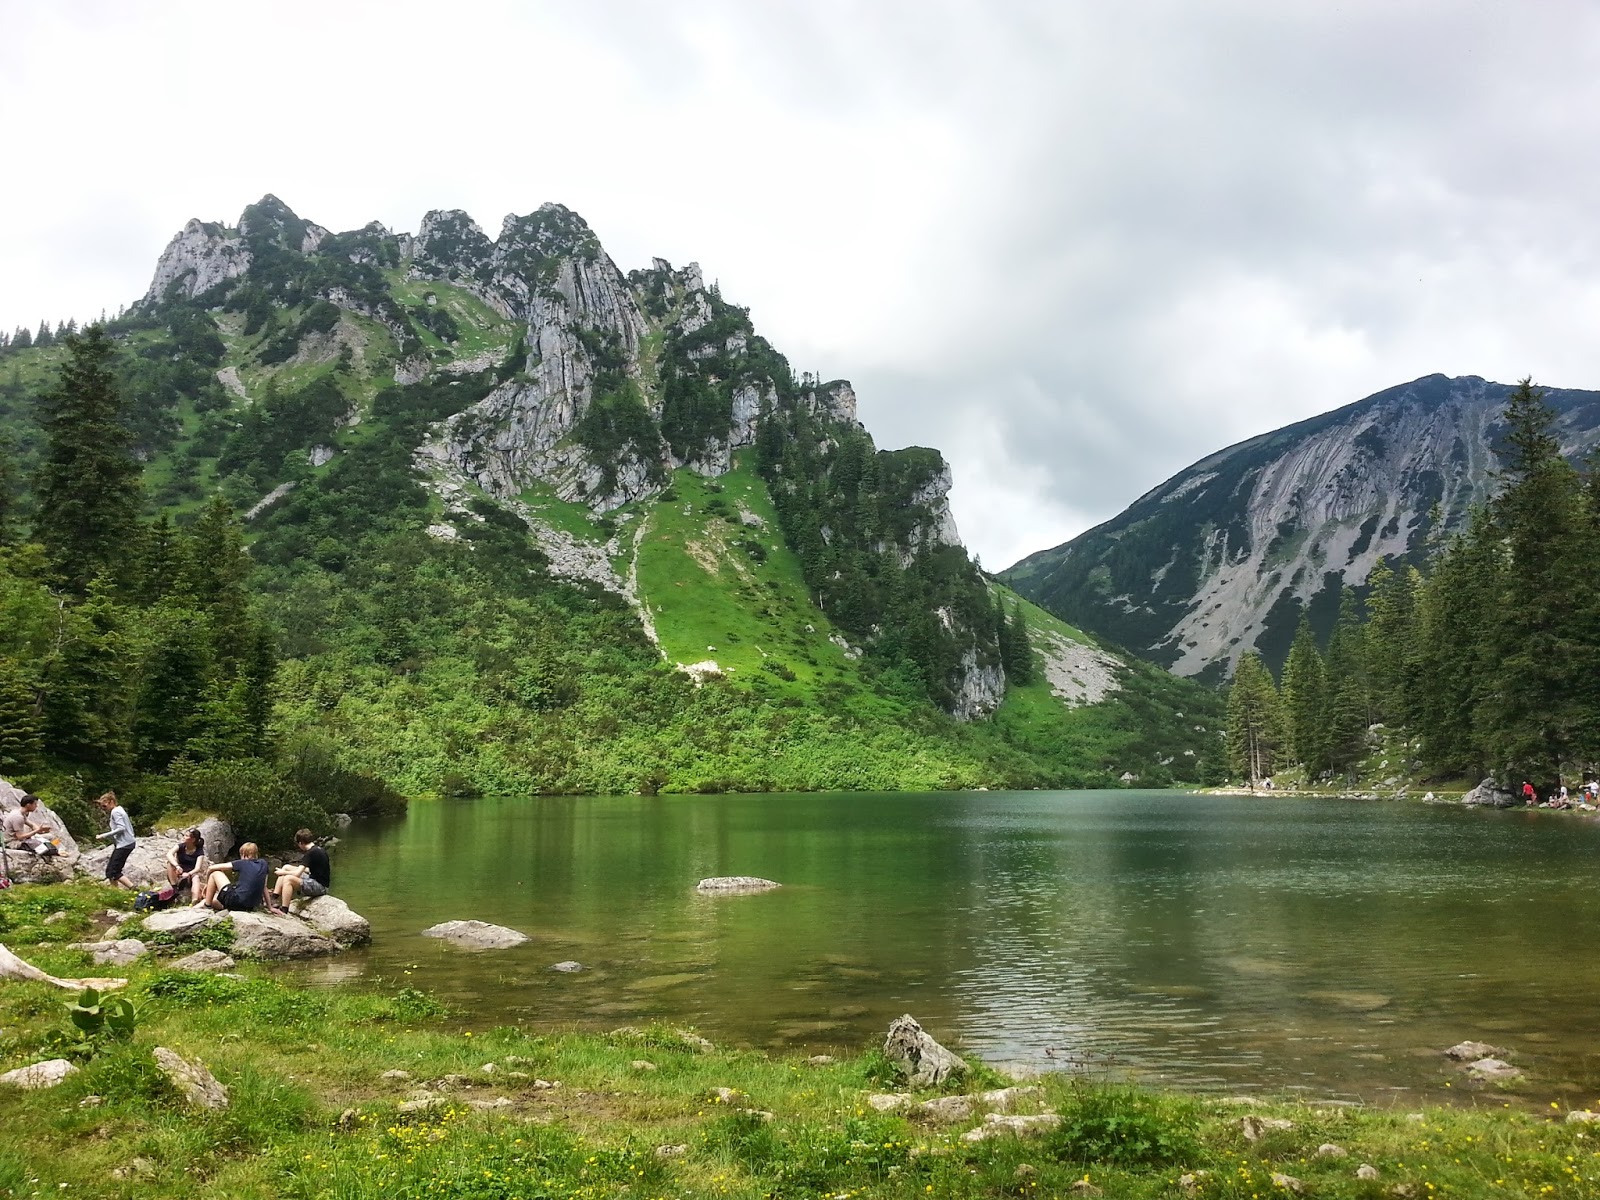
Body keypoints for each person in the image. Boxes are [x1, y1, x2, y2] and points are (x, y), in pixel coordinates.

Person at [199, 842, 270, 912]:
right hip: (251, 906)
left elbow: (211, 868)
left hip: (236, 901)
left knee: (215, 873)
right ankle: (205, 904)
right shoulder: (263, 864)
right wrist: (270, 907)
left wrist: (207, 884)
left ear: (243, 854)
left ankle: (207, 905)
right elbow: (264, 886)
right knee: (216, 901)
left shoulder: (242, 862)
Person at [271, 828, 331, 912]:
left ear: (300, 843)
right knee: (286, 867)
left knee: (288, 879)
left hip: (320, 887)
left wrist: (282, 872)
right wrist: (286, 870)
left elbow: (297, 874)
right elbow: (310, 870)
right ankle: (274, 897)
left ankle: (284, 908)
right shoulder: (319, 849)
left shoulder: (310, 853)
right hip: (316, 880)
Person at [94, 791, 136, 889]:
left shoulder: (115, 812)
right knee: (111, 871)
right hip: (126, 843)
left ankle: (133, 888)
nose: (103, 808)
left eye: (104, 806)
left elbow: (121, 828)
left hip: (125, 844)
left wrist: (103, 835)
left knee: (113, 872)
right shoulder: (120, 809)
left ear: (111, 802)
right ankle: (115, 891)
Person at [165, 828, 208, 903]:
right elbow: (169, 854)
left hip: (191, 873)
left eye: (186, 836)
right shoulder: (180, 846)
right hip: (180, 870)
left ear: (193, 839)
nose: (184, 837)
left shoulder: (199, 852)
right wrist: (177, 866)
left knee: (196, 878)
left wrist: (189, 874)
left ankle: (194, 900)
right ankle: (175, 889)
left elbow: (197, 868)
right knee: (169, 863)